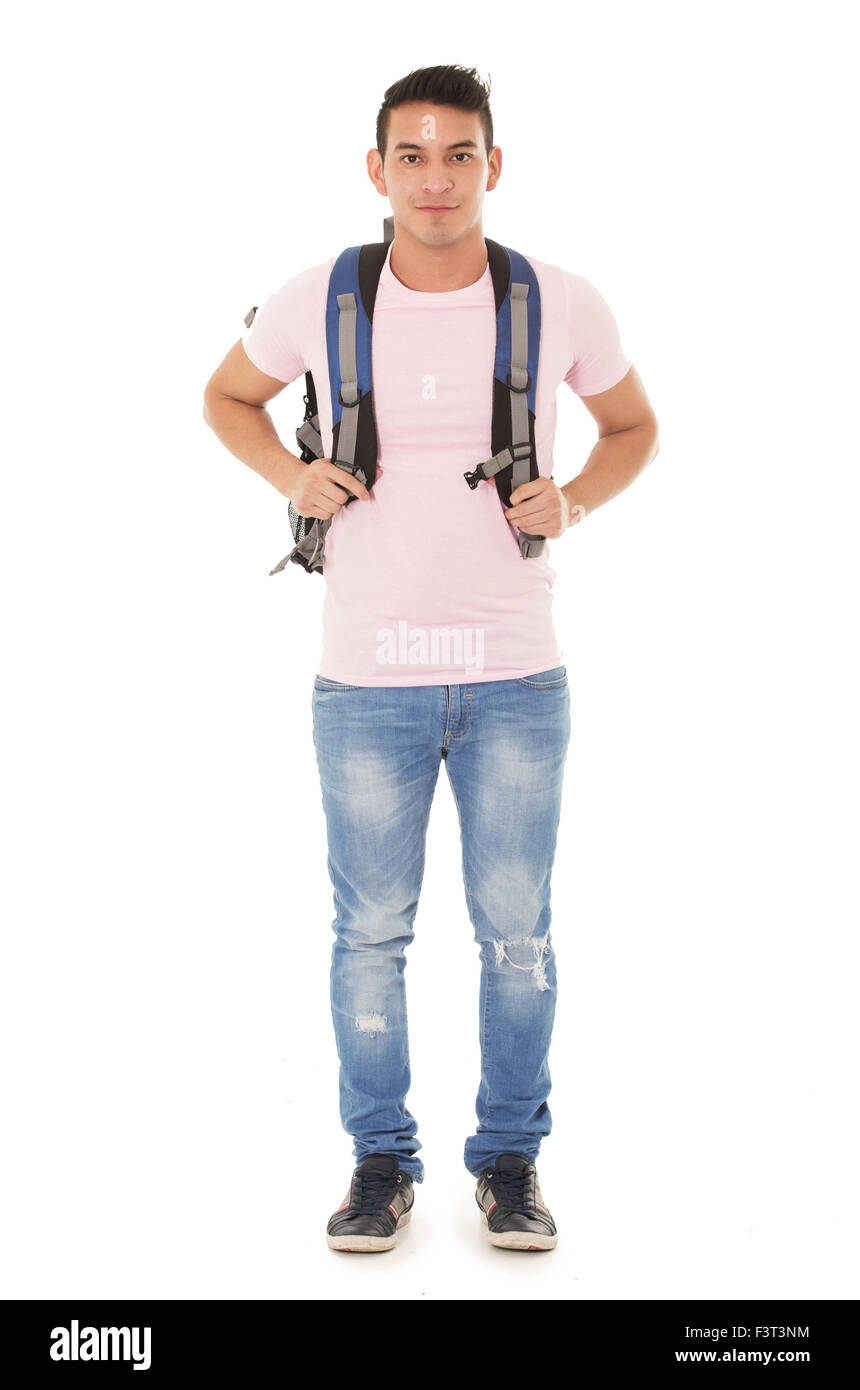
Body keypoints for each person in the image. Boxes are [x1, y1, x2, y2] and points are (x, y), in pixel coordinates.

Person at [203, 64, 659, 1254]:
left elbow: (631, 426)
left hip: (515, 672)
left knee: (516, 932)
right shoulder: (321, 297)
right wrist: (286, 476)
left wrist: (579, 501)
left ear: (492, 166)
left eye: (458, 153)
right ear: (376, 171)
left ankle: (509, 1161)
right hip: (365, 682)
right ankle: (378, 1162)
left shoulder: (560, 299)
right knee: (370, 934)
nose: (436, 177)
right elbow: (228, 398)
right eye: (411, 155)